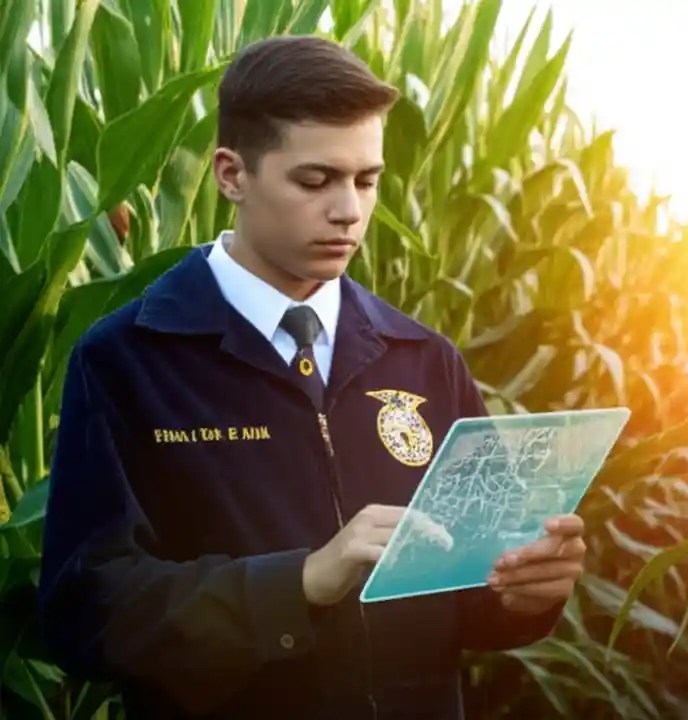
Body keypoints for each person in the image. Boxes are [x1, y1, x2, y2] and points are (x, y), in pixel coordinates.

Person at [36, 35, 586, 719]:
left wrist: (525, 594)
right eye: (315, 180)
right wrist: (300, 583)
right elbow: (85, 614)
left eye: (367, 180)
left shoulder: (423, 358)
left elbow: (472, 602)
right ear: (231, 175)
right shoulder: (128, 359)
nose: (350, 212)